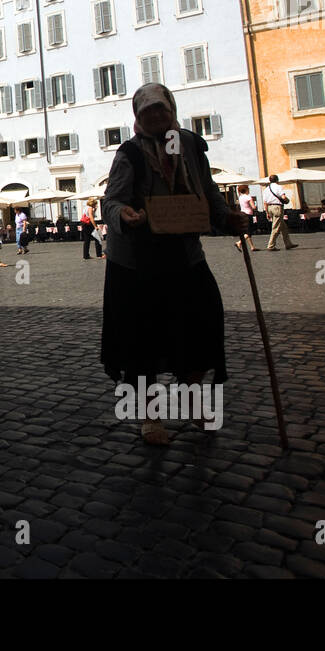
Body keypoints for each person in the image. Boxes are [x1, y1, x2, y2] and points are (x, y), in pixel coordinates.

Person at [100, 84, 246, 446]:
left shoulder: (190, 144)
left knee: (200, 327)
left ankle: (194, 403)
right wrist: (126, 214)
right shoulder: (129, 153)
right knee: (142, 340)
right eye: (147, 112)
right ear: (138, 116)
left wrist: (227, 215)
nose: (155, 117)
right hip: (137, 260)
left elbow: (205, 187)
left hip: (184, 253)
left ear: (172, 110)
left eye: (161, 111)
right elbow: (111, 201)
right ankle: (150, 417)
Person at [261, 175, 298, 251]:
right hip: (277, 207)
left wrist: (267, 212)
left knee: (283, 227)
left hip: (269, 207)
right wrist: (287, 200)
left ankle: (288, 244)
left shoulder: (266, 189)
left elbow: (265, 202)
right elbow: (283, 197)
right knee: (275, 227)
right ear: (277, 180)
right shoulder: (278, 187)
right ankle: (270, 245)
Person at [235, 184, 260, 252]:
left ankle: (252, 247)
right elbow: (253, 207)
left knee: (246, 231)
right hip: (248, 215)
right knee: (249, 232)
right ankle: (239, 242)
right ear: (246, 190)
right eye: (248, 189)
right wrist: (255, 207)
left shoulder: (240, 197)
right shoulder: (248, 197)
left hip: (242, 214)